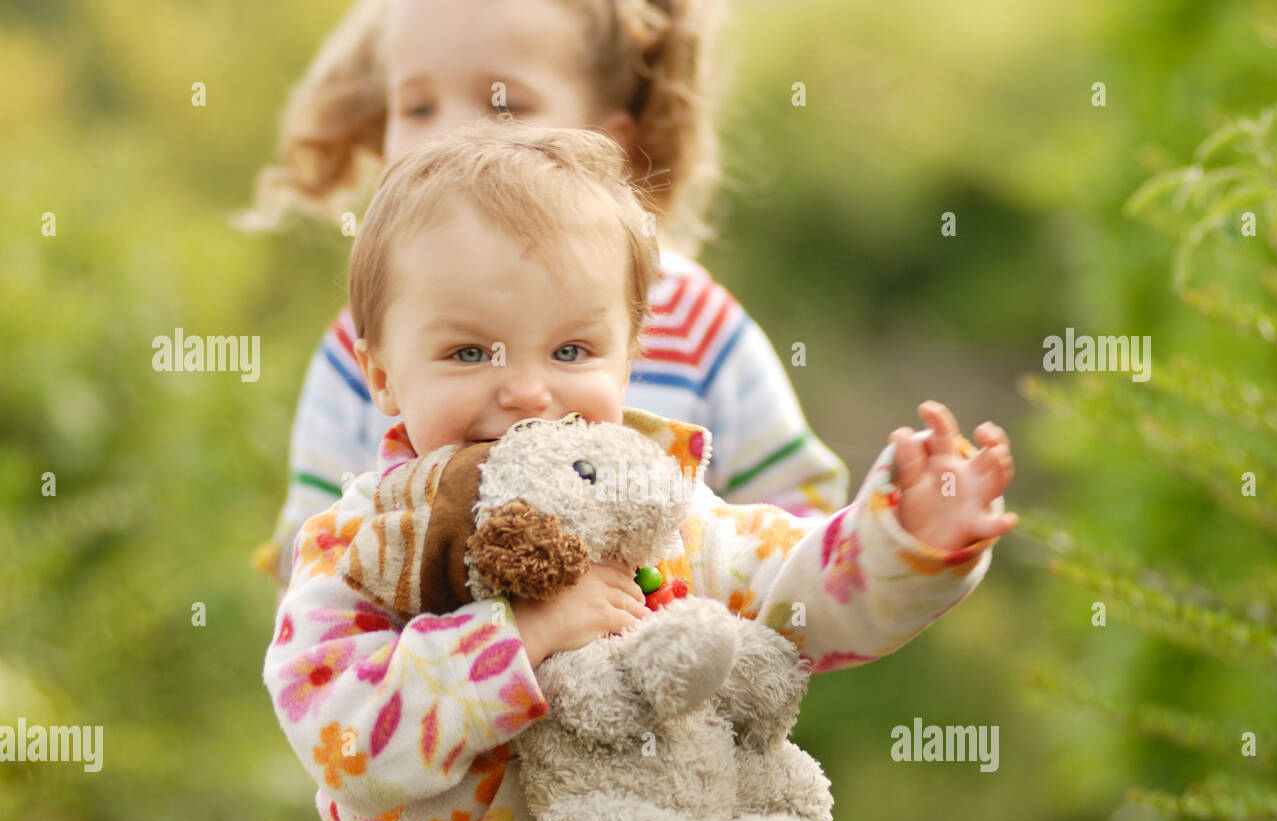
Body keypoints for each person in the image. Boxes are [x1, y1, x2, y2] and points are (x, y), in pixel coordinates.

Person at [262, 120, 1018, 821]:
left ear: (629, 358)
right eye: (469, 351)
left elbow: (796, 592)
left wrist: (903, 541)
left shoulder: (664, 519)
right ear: (383, 373)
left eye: (572, 349)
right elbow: (340, 735)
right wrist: (516, 637)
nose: (528, 391)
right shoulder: (368, 548)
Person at [248, 0, 850, 590]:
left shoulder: (694, 324)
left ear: (607, 146)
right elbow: (314, 573)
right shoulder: (372, 340)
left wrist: (677, 610)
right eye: (418, 106)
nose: (452, 136)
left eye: (502, 106)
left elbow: (797, 526)